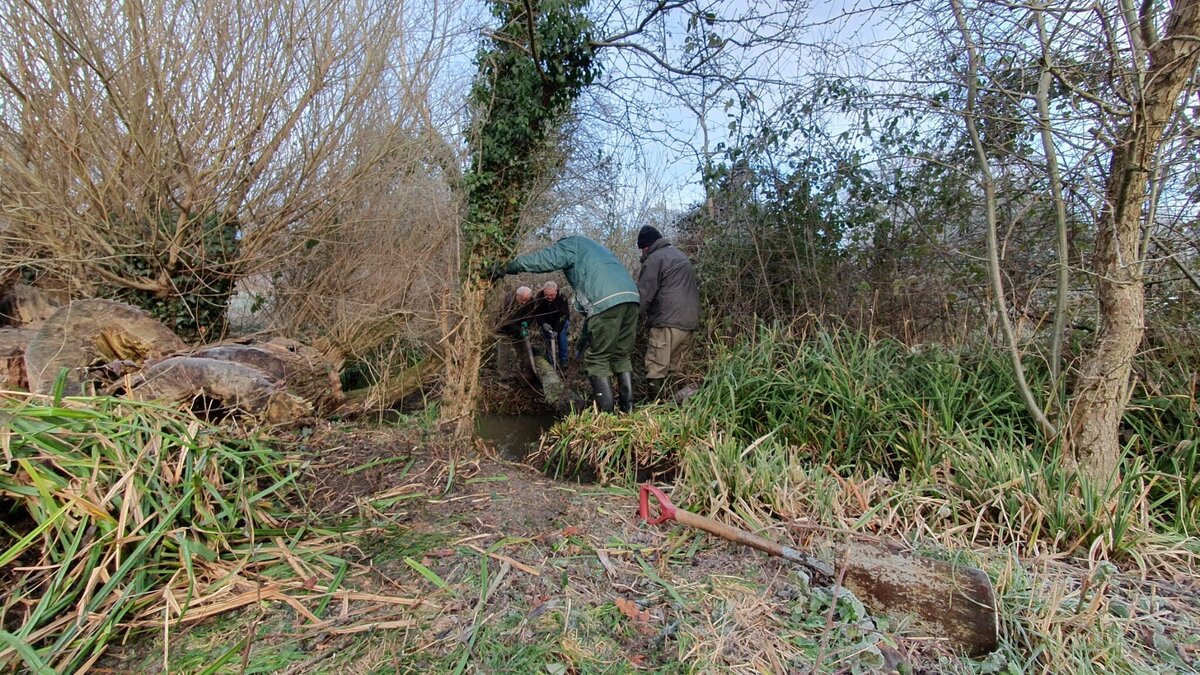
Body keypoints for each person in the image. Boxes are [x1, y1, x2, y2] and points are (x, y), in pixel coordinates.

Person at [493, 236, 639, 413]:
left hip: (605, 301)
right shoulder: (598, 251)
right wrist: (584, 338)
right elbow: (592, 317)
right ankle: (628, 411)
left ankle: (607, 416)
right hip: (632, 297)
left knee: (597, 359)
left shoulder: (571, 245)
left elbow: (541, 261)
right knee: (621, 356)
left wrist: (508, 267)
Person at [635, 225, 699, 398]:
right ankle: (676, 413)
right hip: (689, 323)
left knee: (656, 368)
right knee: (677, 369)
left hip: (666, 323)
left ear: (646, 247)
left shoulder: (654, 259)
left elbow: (644, 295)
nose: (642, 254)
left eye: (642, 250)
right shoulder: (681, 256)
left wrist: (632, 320)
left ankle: (655, 414)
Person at [533, 281, 570, 368]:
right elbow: (536, 313)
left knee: (561, 336)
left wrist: (557, 330)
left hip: (560, 321)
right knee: (547, 338)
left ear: (556, 291)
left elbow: (564, 316)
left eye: (552, 295)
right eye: (547, 295)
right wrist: (543, 324)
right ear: (544, 291)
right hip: (547, 322)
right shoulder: (539, 297)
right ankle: (550, 361)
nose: (549, 297)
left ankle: (563, 360)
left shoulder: (562, 298)